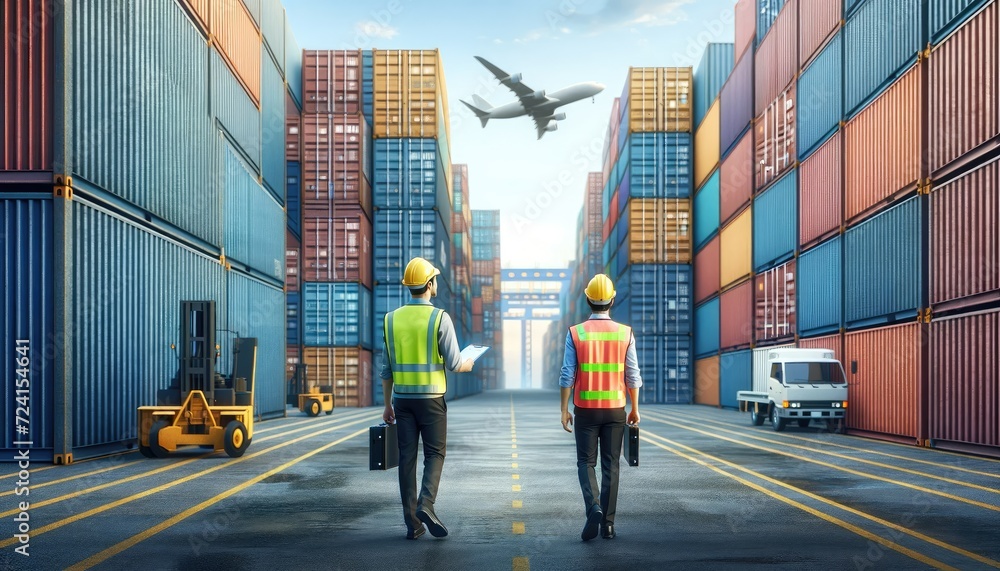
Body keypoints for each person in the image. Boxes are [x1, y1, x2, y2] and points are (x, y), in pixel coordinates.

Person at [381, 257, 474, 540]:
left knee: (407, 459)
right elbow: (456, 363)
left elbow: (386, 369)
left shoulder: (391, 319)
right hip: (432, 400)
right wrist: (468, 362)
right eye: (435, 280)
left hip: (402, 400)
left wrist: (387, 404)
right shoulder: (439, 317)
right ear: (430, 284)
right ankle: (427, 504)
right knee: (435, 454)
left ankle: (413, 524)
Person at [559, 273, 641, 541]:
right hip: (616, 409)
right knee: (611, 465)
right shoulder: (624, 333)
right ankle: (607, 525)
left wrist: (564, 409)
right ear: (612, 300)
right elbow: (632, 375)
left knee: (586, 462)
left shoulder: (576, 332)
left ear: (587, 299)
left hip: (585, 409)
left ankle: (592, 505)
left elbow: (567, 374)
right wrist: (634, 408)